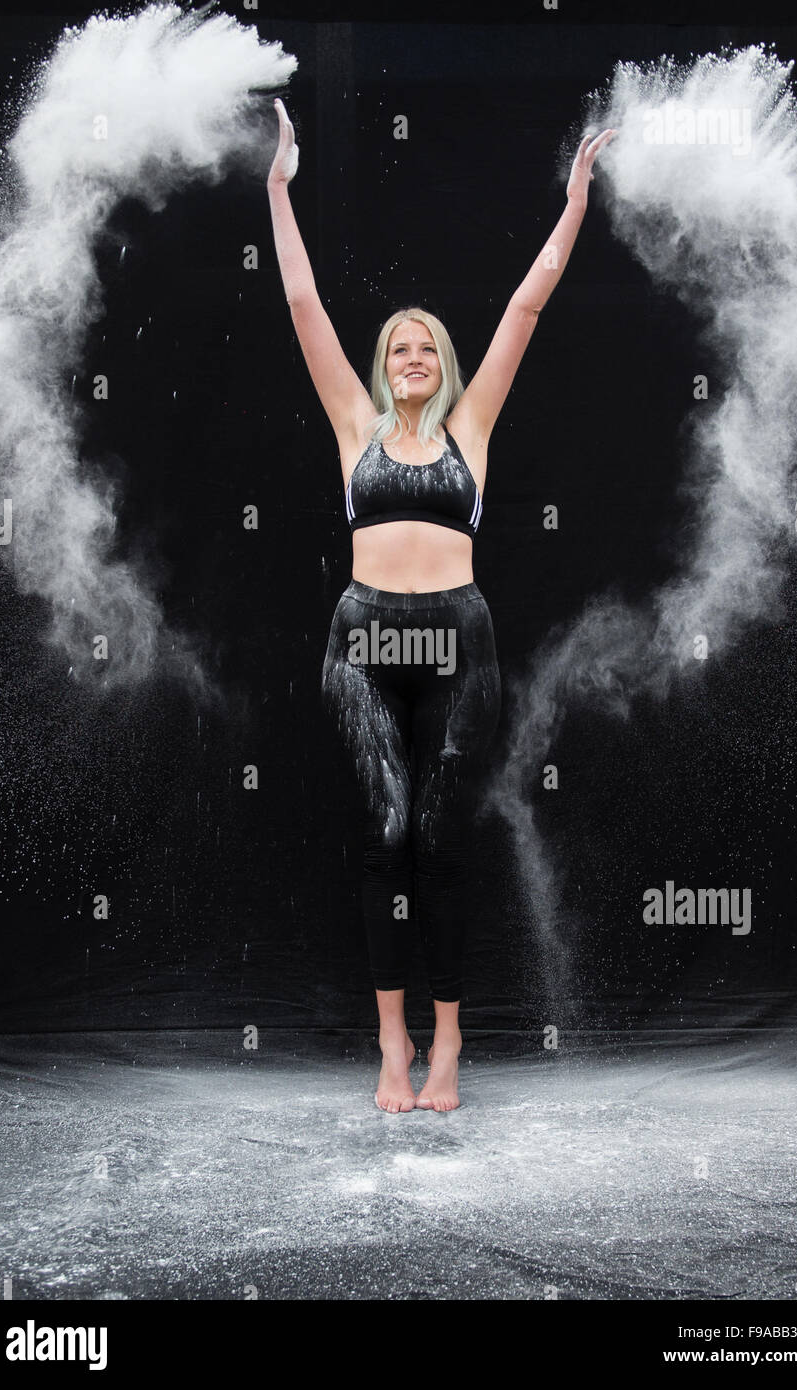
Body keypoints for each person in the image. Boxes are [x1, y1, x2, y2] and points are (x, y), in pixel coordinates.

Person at [267, 96, 614, 1112]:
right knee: (384, 832)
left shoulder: (471, 425)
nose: (412, 358)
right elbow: (300, 306)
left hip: (457, 635)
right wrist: (277, 190)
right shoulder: (353, 424)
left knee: (441, 839)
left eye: (426, 348)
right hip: (364, 635)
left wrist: (575, 200)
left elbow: (525, 307)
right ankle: (390, 1046)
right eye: (399, 349)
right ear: (383, 368)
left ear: (443, 365)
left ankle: (450, 1045)